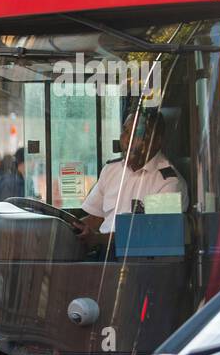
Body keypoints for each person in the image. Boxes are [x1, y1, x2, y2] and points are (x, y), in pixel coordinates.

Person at [77, 108, 188, 252]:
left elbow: (151, 235)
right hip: (102, 256)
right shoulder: (111, 170)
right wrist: (64, 227)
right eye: (125, 131)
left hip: (137, 263)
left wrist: (98, 239)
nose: (127, 139)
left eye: (137, 133)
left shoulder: (169, 182)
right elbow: (95, 218)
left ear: (157, 141)